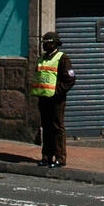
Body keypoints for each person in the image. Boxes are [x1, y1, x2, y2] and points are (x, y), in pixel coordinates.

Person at [31, 31, 75, 168]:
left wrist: (56, 92)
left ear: (54, 43)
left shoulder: (63, 59)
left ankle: (60, 158)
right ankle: (46, 157)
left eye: (47, 43)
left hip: (56, 100)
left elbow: (70, 79)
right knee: (46, 128)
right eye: (43, 43)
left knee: (57, 128)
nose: (44, 46)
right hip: (44, 99)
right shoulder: (42, 58)